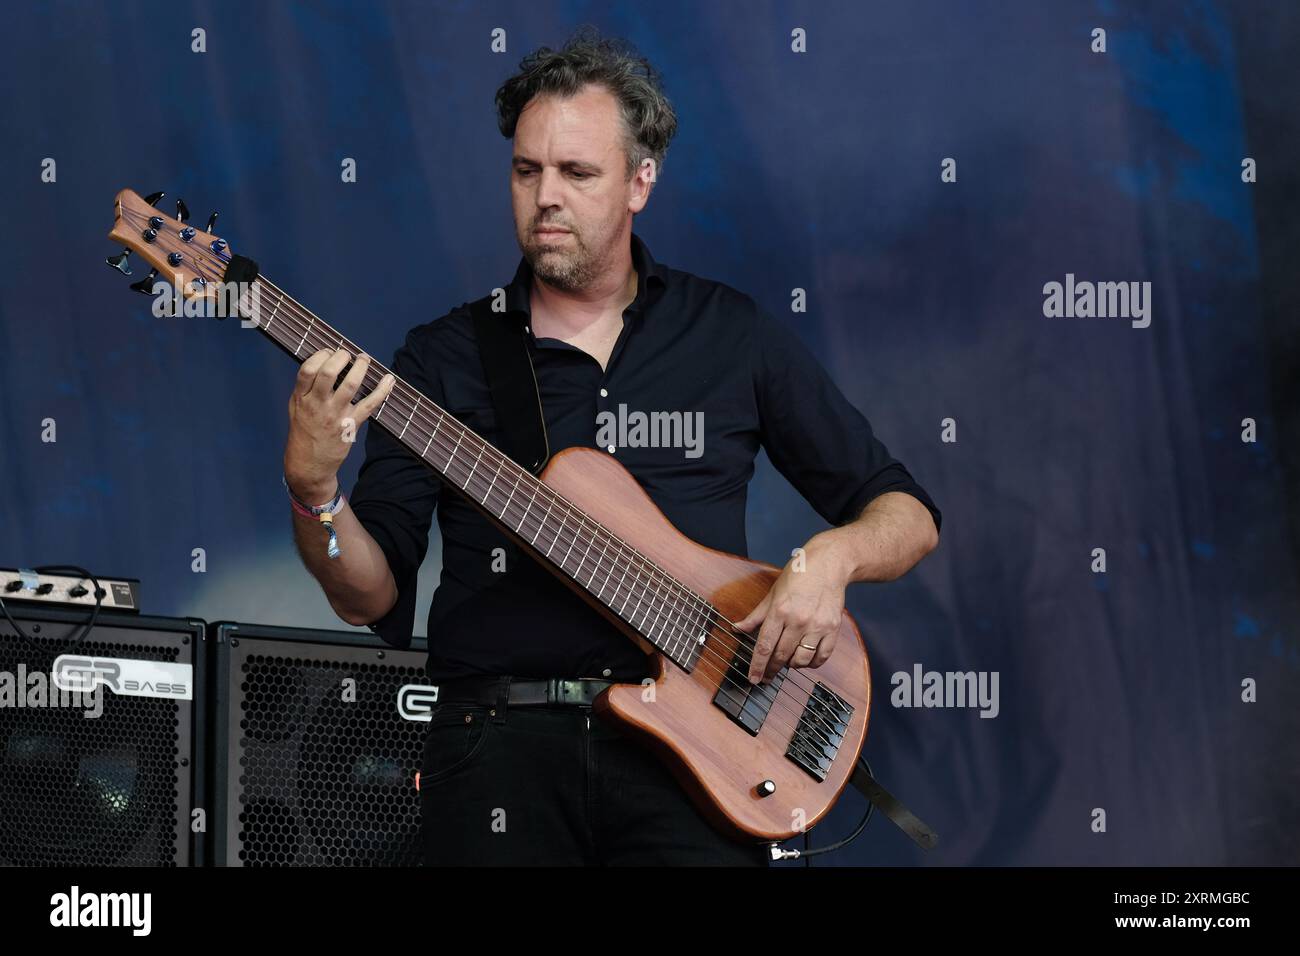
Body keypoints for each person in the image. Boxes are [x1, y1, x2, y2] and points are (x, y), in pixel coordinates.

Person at [282, 27, 941, 866]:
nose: (544, 197)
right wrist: (314, 489)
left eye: (577, 173)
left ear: (640, 182)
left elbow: (908, 514)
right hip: (498, 754)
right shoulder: (443, 358)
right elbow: (367, 596)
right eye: (527, 171)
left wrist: (832, 561)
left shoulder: (728, 334)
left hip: (703, 759)